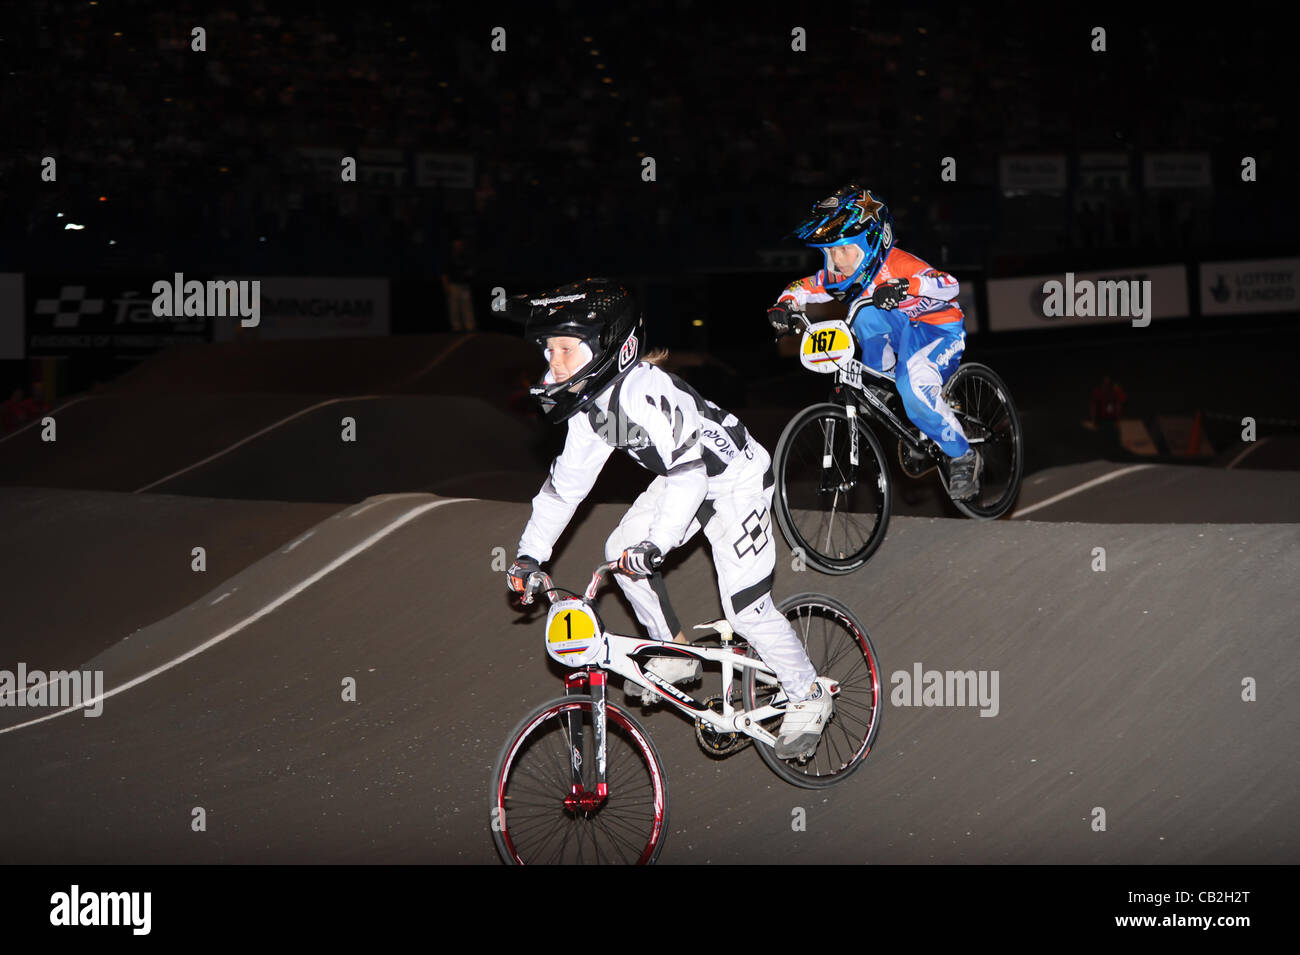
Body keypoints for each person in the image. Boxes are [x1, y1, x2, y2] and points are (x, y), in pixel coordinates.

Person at [505, 278, 834, 760]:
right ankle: (673, 651)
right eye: (548, 350)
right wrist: (529, 555)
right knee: (619, 553)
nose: (552, 363)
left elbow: (691, 475)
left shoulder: (644, 393)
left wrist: (658, 543)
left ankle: (809, 693)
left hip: (735, 480)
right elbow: (563, 491)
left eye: (564, 349)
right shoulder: (593, 411)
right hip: (687, 478)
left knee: (745, 608)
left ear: (607, 349)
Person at [767, 183, 981, 499]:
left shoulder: (897, 263)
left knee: (912, 386)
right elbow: (807, 285)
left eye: (843, 249)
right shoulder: (846, 272)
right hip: (899, 328)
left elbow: (949, 285)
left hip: (936, 330)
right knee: (862, 313)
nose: (837, 260)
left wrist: (906, 286)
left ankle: (962, 454)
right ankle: (887, 386)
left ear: (870, 243)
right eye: (830, 252)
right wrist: (785, 303)